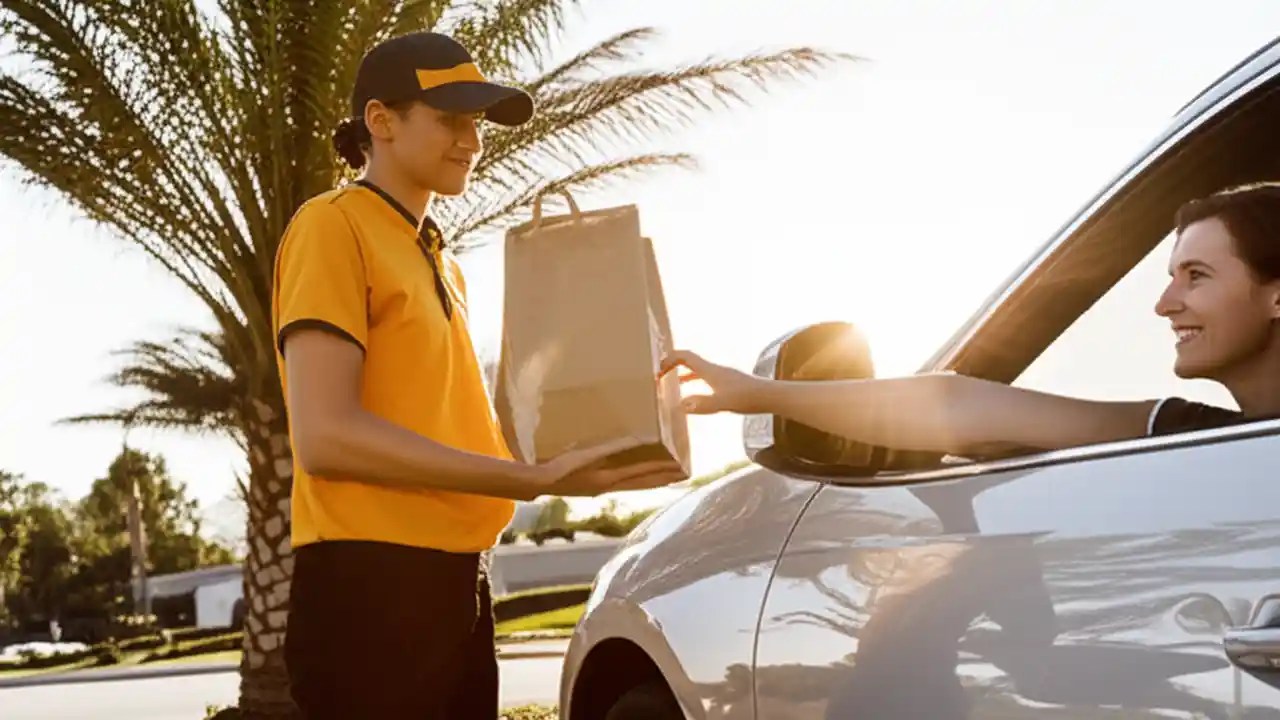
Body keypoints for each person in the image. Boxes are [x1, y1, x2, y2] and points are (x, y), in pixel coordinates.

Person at [272, 32, 686, 719]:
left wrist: (601, 446)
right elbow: (326, 436)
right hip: (369, 593)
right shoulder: (332, 227)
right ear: (381, 122)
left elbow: (452, 423)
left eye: (477, 123)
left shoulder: (440, 258)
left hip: (457, 583)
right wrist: (528, 481)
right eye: (450, 119)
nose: (472, 139)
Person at [663, 183, 1280, 458]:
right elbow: (957, 408)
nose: (1164, 303)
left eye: (1195, 276)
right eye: (1170, 276)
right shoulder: (1190, 435)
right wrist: (756, 393)